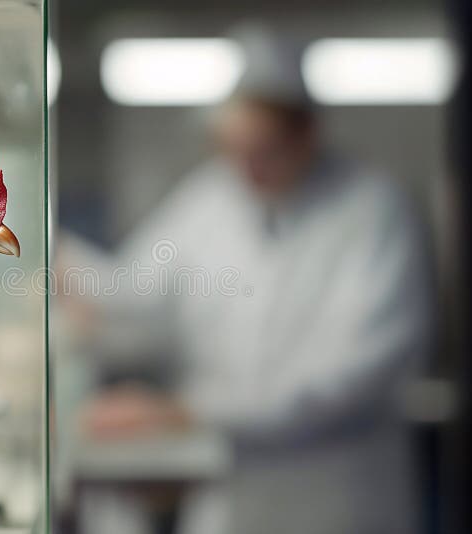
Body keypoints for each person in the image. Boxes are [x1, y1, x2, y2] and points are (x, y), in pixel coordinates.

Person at [67, 27, 434, 534]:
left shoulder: (373, 209)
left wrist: (191, 412)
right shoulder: (213, 197)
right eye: (233, 149)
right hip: (230, 496)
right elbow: (130, 296)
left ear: (308, 133)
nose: (248, 169)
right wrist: (57, 257)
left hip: (339, 496)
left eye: (265, 149)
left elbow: (360, 373)